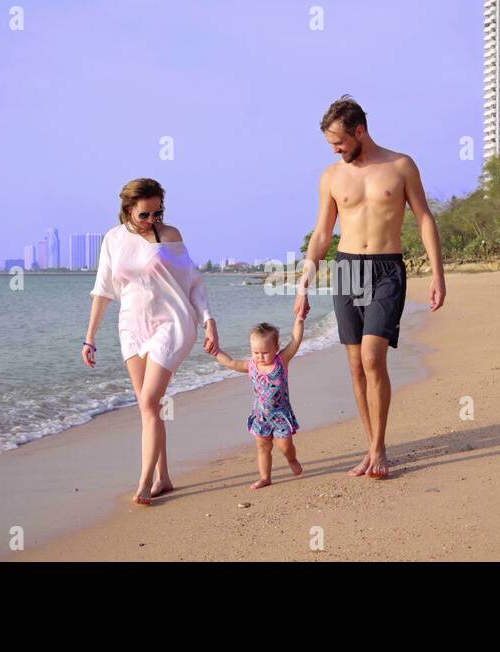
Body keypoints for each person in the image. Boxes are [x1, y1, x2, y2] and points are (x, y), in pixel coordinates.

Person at [295, 95, 446, 479]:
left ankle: (379, 449)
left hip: (386, 269)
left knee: (372, 358)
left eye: (340, 142)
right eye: (331, 144)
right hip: (347, 269)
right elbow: (322, 233)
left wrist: (437, 274)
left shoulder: (400, 166)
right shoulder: (331, 176)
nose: (335, 149)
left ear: (360, 130)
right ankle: (371, 445)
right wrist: (304, 282)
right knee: (354, 364)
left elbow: (425, 218)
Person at [82, 178, 220, 506]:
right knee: (150, 408)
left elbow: (194, 283)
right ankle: (164, 477)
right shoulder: (113, 240)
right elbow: (102, 291)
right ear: (128, 210)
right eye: (144, 215)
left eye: (158, 213)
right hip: (131, 327)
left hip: (172, 324)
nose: (152, 221)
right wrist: (89, 338)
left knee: (147, 402)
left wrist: (208, 320)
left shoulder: (170, 236)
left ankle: (144, 483)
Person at [212, 318, 305, 489]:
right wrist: (216, 351)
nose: (260, 357)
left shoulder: (281, 361)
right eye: (256, 352)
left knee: (285, 446)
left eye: (264, 352)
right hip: (260, 416)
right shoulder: (251, 366)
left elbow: (295, 341)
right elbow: (232, 363)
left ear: (276, 348)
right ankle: (265, 477)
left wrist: (299, 320)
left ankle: (291, 459)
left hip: (280, 416)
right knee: (263, 446)